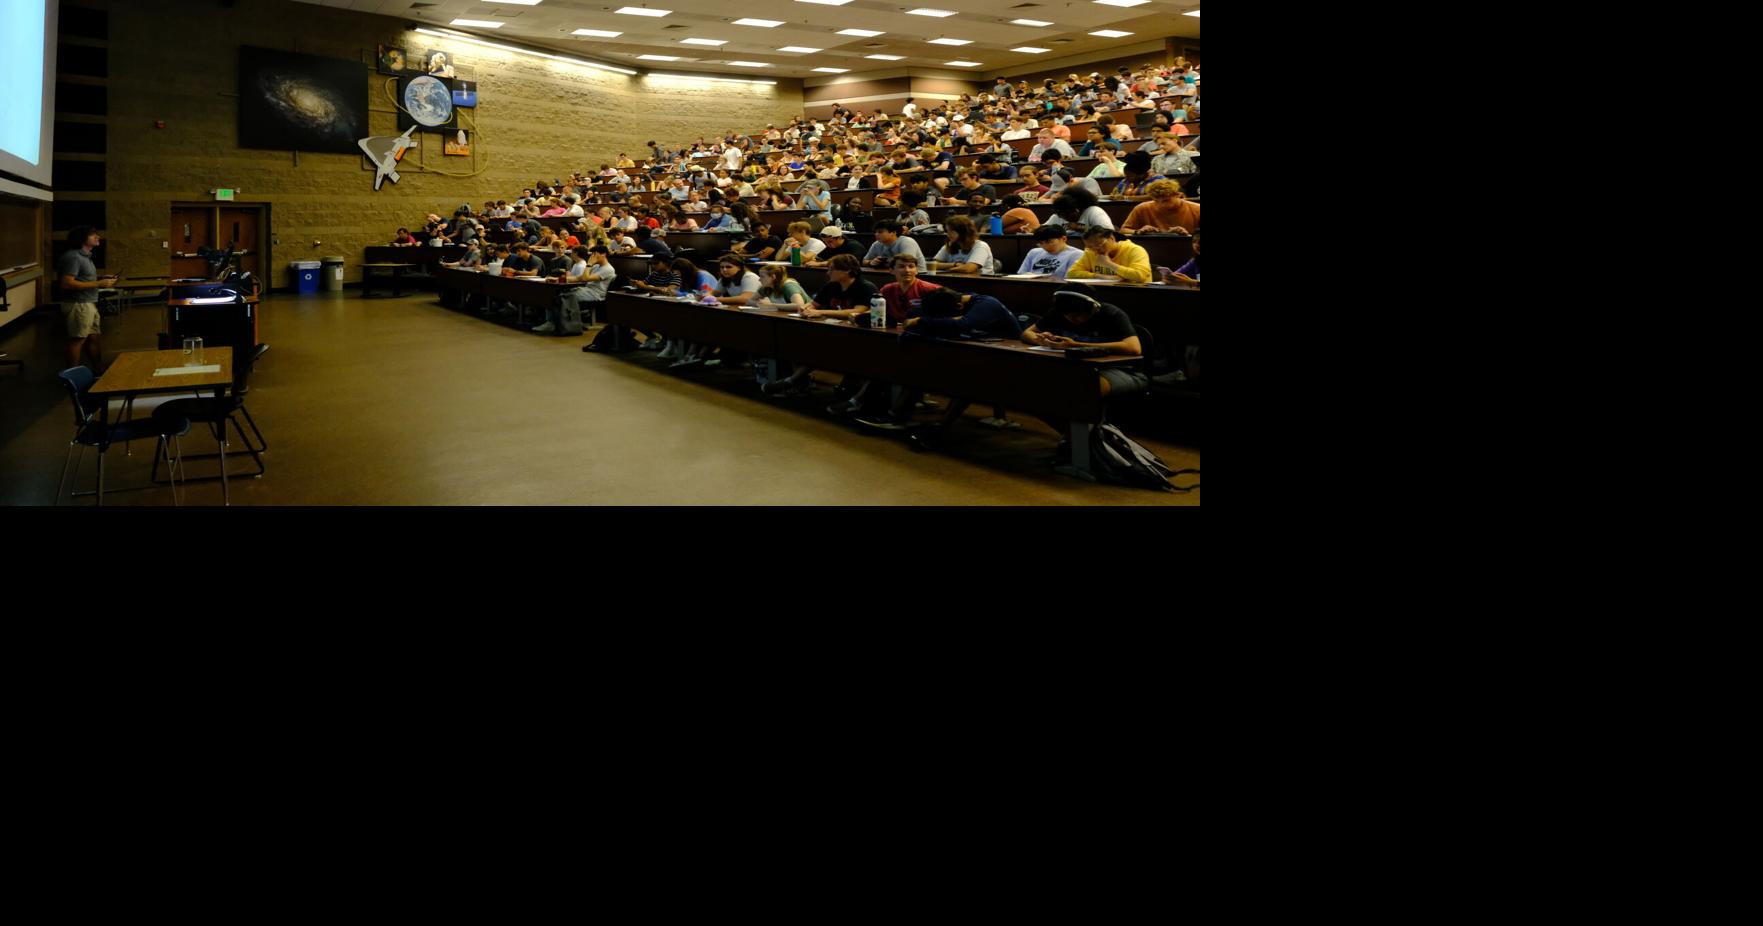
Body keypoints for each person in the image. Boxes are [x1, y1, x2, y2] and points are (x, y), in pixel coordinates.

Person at [1018, 283, 1148, 462]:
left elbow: (1134, 348)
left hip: (1122, 371)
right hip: (1078, 371)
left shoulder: (1111, 314)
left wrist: (1075, 345)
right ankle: (1084, 439)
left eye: (1078, 316)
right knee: (1033, 392)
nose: (1073, 320)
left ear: (1092, 308)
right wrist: (1041, 339)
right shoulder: (1059, 312)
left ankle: (1087, 443)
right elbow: (1027, 333)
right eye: (1069, 316)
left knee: (1080, 391)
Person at [56, 226, 116, 371]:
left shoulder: (85, 257)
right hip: (78, 304)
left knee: (94, 338)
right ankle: (70, 375)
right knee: (77, 340)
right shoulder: (74, 257)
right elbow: (66, 283)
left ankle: (98, 368)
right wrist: (98, 283)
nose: (98, 237)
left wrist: (101, 279)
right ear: (82, 238)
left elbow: (81, 279)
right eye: (93, 235)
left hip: (88, 303)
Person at [1066, 225, 1153, 283]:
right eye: (1090, 247)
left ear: (1111, 238)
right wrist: (1100, 276)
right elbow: (1072, 273)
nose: (1096, 249)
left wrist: (1109, 264)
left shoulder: (1135, 250)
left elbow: (1140, 275)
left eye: (1098, 244)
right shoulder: (1090, 252)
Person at [1120, 179, 1200, 235]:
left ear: (1178, 195)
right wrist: (1138, 231)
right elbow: (1124, 230)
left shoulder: (1197, 209)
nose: (1161, 204)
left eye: (1166, 200)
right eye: (1156, 201)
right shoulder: (1142, 208)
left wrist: (1187, 235)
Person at [928, 215, 994, 274]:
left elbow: (968, 269)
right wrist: (955, 264)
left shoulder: (981, 246)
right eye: (947, 231)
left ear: (963, 232)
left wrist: (947, 269)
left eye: (952, 232)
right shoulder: (950, 245)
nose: (948, 235)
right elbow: (932, 265)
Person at [1016, 223, 1083, 279]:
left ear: (1063, 239)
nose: (1045, 246)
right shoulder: (1034, 252)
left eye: (1049, 242)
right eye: (1041, 243)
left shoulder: (1077, 255)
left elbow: (1069, 280)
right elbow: (1021, 275)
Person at [861, 218, 927, 270]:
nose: (876, 234)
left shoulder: (907, 242)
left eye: (880, 232)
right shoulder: (877, 244)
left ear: (893, 232)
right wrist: (871, 262)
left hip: (917, 275)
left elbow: (907, 262)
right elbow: (864, 261)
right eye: (875, 232)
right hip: (888, 273)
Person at [1045, 187, 1114, 230]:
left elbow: (1109, 232)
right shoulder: (1058, 214)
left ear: (1076, 210)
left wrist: (1080, 228)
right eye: (1060, 215)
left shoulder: (1094, 211)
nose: (1064, 218)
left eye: (1066, 215)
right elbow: (1041, 231)